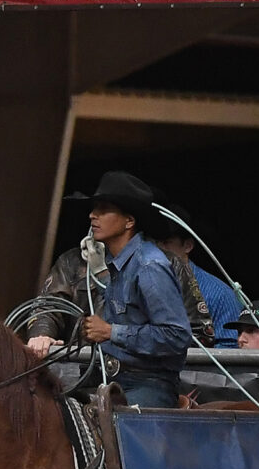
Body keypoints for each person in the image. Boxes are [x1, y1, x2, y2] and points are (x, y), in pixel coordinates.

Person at [29, 171, 191, 409]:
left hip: (147, 384)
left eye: (104, 209)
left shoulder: (149, 267)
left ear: (129, 221)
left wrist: (110, 332)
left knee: (113, 432)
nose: (92, 215)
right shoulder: (119, 265)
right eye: (95, 208)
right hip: (109, 378)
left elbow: (177, 336)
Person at [155, 208, 239, 347]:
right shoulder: (142, 283)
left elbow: (229, 348)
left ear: (187, 246)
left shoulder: (219, 294)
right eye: (154, 242)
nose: (158, 249)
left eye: (166, 242)